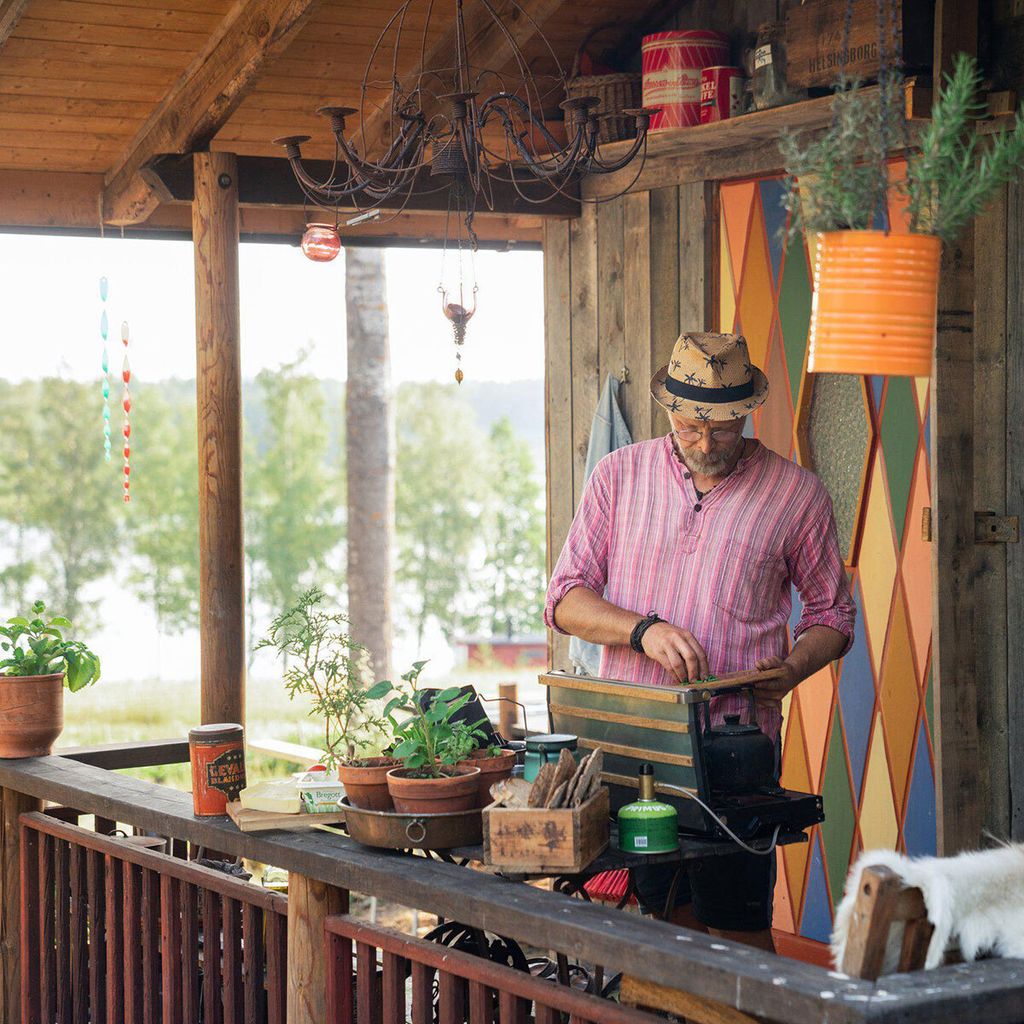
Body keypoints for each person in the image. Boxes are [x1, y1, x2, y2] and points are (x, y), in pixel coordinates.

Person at [544, 331, 855, 951]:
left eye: (721, 429)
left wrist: (792, 668)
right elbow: (565, 600)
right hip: (638, 745)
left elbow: (833, 615)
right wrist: (642, 631)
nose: (705, 443)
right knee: (665, 928)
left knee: (739, 935)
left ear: (745, 414)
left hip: (736, 756)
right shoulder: (617, 477)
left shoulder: (797, 494)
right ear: (668, 410)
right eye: (690, 428)